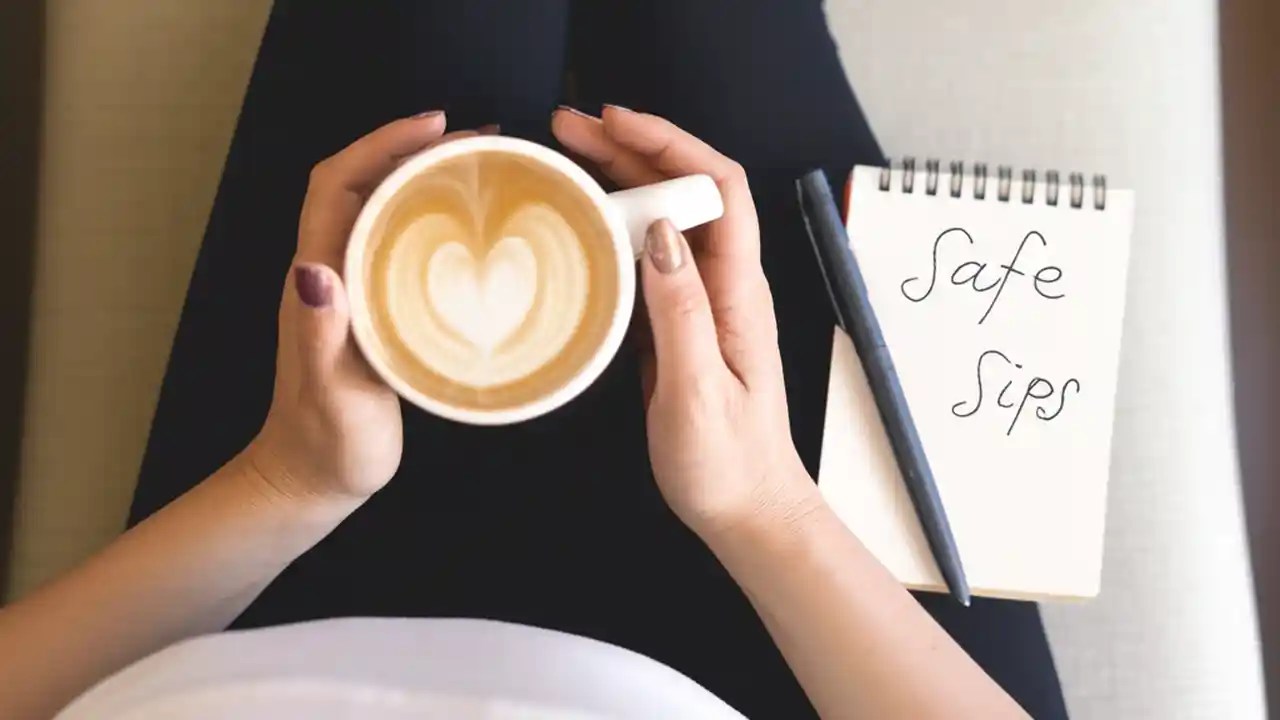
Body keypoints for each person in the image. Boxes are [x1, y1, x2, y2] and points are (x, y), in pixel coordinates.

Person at [2, 3, 1067, 718]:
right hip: (780, 654)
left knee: (428, 42)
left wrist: (288, 479)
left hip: (272, 583)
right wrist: (764, 505)